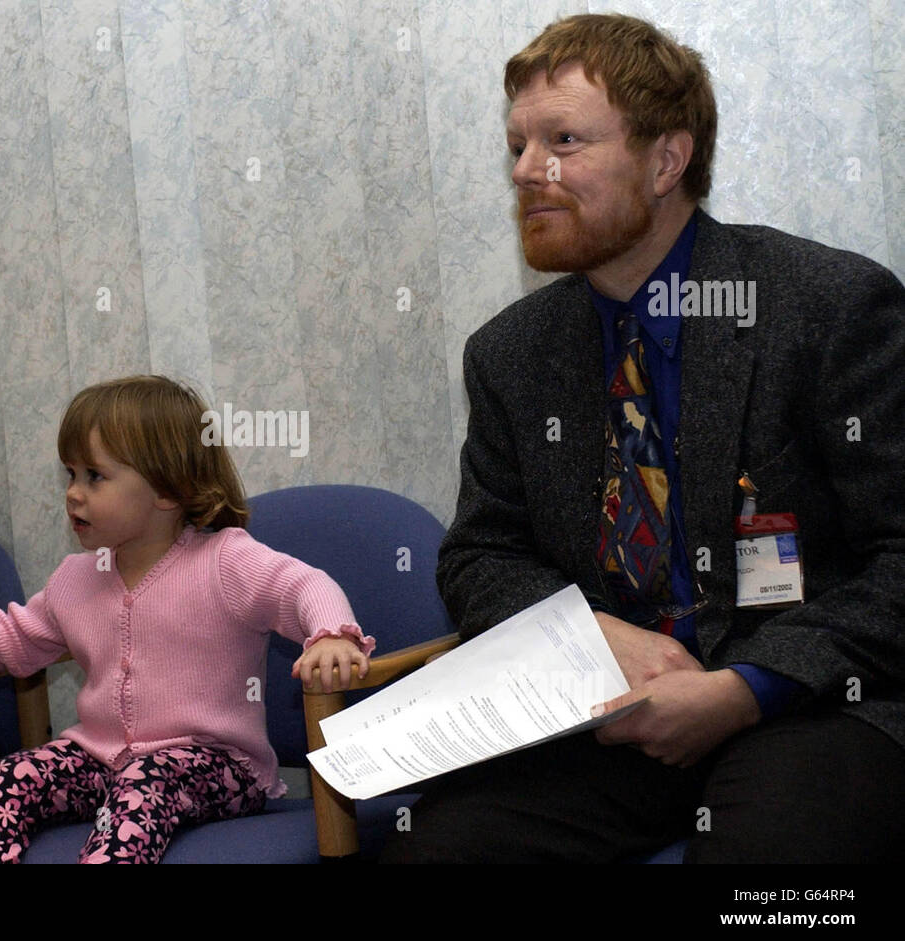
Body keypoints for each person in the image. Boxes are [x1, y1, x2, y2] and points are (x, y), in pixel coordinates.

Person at [382, 13, 905, 863]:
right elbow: (482, 556)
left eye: (562, 140)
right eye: (516, 144)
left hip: (813, 703)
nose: (524, 171)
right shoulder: (511, 354)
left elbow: (897, 555)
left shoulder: (827, 307)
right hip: (608, 718)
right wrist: (593, 634)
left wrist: (745, 688)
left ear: (666, 160)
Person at [0, 375, 373, 863]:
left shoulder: (225, 560)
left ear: (168, 490)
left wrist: (330, 635)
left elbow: (305, 586)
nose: (73, 493)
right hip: (100, 761)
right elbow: (15, 633)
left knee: (142, 786)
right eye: (70, 474)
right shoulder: (77, 577)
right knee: (12, 776)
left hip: (217, 767)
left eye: (94, 476)